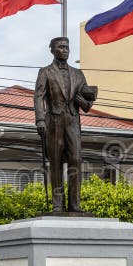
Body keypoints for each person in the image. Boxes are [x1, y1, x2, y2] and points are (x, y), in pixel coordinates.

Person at [34, 37, 97, 213]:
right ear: (52, 50)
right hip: (53, 121)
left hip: (73, 122)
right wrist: (40, 119)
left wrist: (83, 102)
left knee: (75, 160)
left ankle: (75, 205)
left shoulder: (78, 74)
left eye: (67, 47)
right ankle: (58, 205)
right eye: (61, 47)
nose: (65, 50)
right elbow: (38, 97)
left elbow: (87, 103)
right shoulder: (45, 72)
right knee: (55, 163)